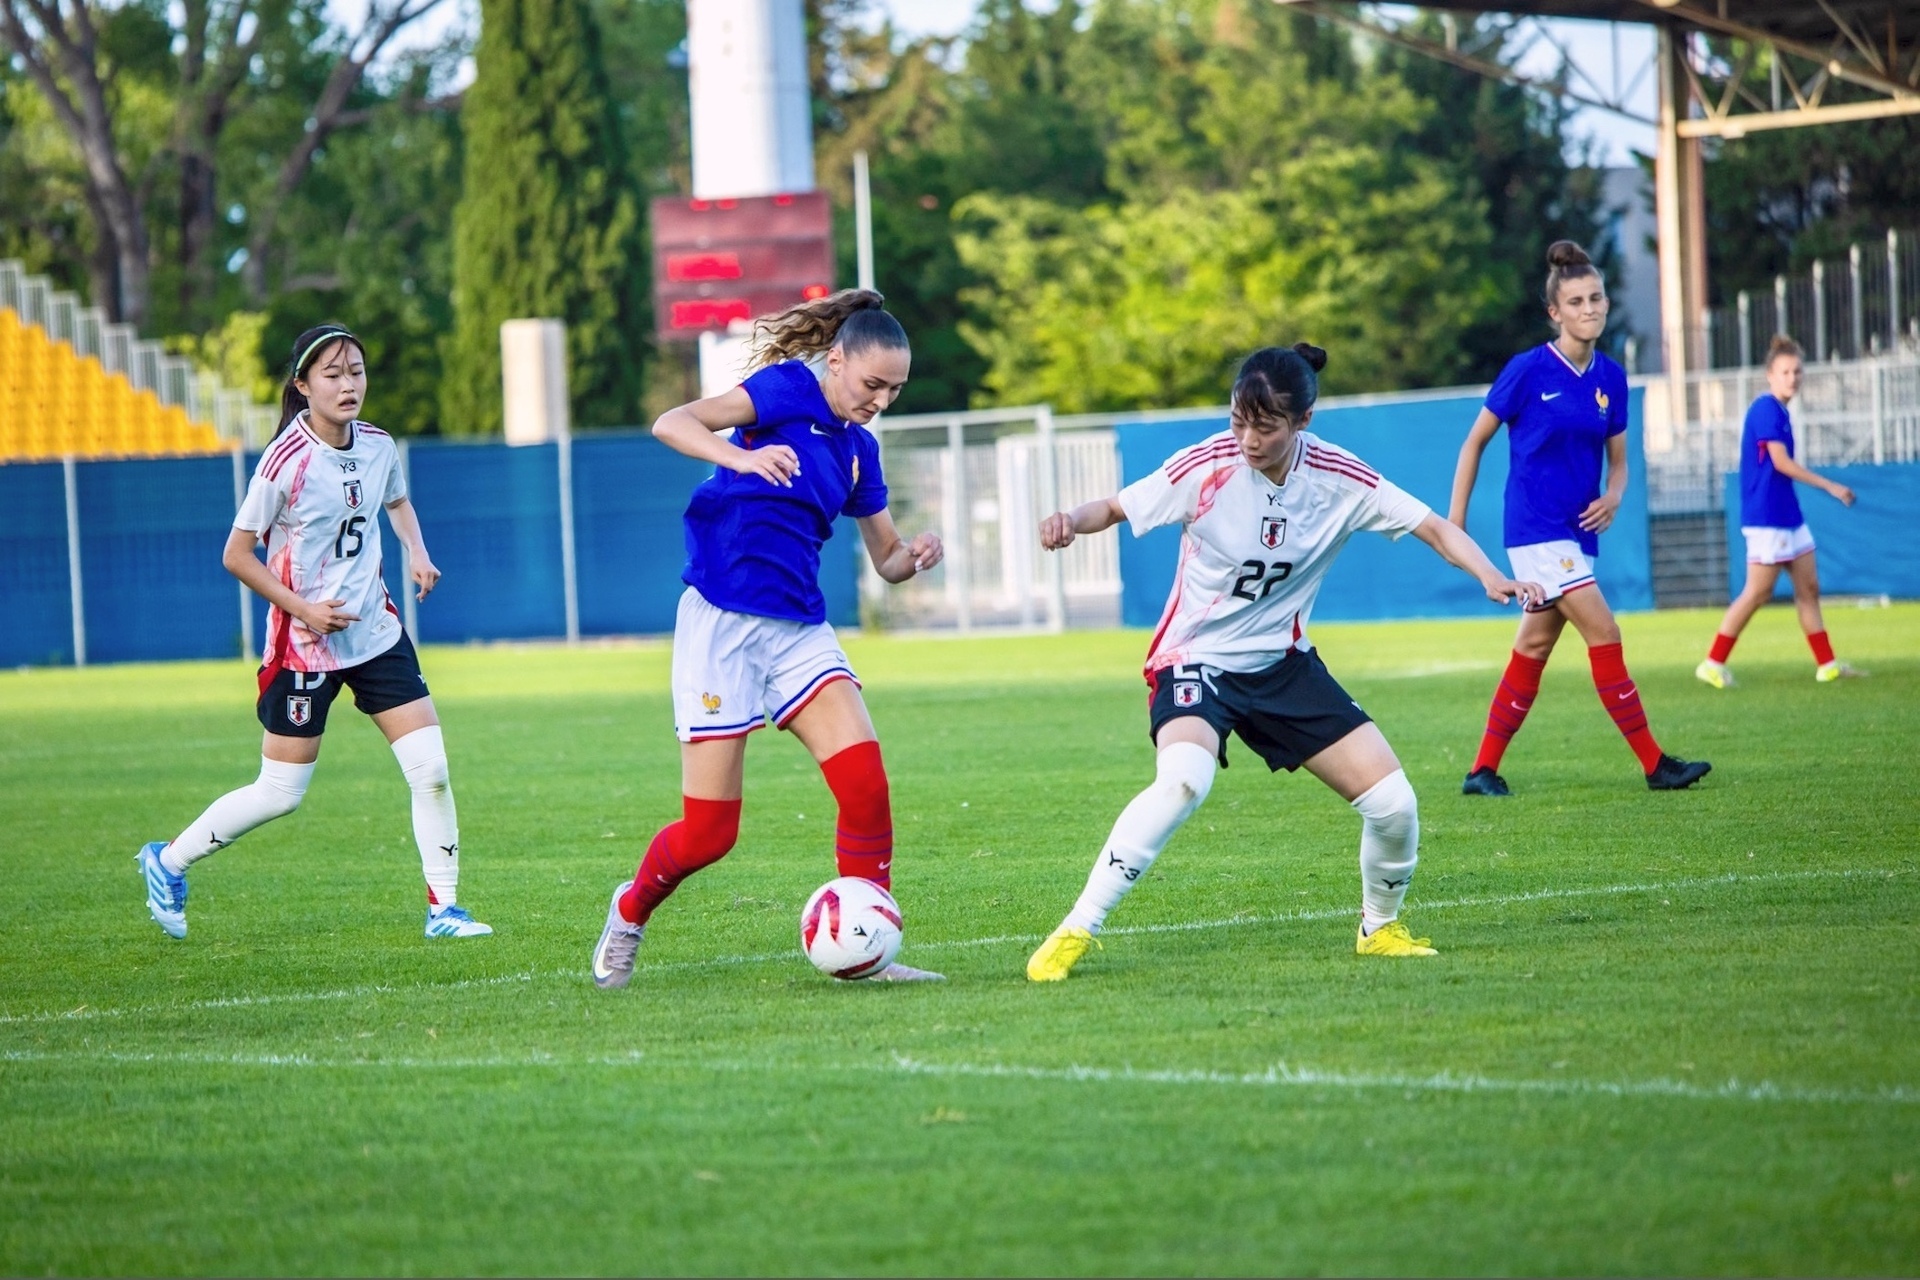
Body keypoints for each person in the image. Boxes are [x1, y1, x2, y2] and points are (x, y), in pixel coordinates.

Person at [1024, 343, 1545, 982]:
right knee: (1184, 778)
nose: (1247, 437)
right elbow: (1112, 507)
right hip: (1196, 660)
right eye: (1239, 419)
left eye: (1265, 425)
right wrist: (1068, 521)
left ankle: (1379, 930)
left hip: (1282, 665)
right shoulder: (1207, 465)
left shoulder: (1340, 477)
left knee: (1395, 805)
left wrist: (1494, 577)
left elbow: (1434, 527)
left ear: (1302, 421)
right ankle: (1076, 929)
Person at [591, 289, 947, 988]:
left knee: (867, 789)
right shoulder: (785, 389)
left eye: (894, 390)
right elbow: (674, 422)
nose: (880, 400)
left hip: (799, 630)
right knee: (710, 835)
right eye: (872, 383)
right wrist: (741, 459)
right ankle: (630, 910)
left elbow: (888, 560)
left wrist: (918, 554)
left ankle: (868, 952)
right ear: (836, 360)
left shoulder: (858, 451)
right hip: (720, 624)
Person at [137, 325, 490, 940]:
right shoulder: (286, 461)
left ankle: (445, 910)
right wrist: (303, 608)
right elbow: (237, 554)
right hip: (304, 645)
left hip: (375, 635)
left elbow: (396, 500)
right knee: (280, 792)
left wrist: (417, 552)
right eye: (332, 373)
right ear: (302, 386)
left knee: (430, 769)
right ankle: (167, 861)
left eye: (355, 370)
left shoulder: (379, 445)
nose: (348, 383)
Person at [1450, 240, 1711, 797]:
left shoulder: (1611, 379)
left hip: (1578, 534)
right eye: (1576, 301)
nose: (1590, 308)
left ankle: (1482, 770)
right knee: (1605, 631)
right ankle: (1654, 764)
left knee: (1534, 648)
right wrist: (1455, 521)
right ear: (1555, 312)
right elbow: (1473, 444)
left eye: (1596, 298)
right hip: (1536, 530)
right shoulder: (1526, 371)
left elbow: (1619, 465)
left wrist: (1614, 497)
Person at [1696, 335, 1862, 688]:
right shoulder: (1766, 409)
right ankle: (1712, 663)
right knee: (1757, 593)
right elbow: (1781, 463)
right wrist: (1830, 485)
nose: (1793, 378)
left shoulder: (1782, 412)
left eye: (1798, 371)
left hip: (1788, 514)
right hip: (1767, 516)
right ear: (1770, 375)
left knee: (1809, 587)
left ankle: (1827, 664)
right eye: (1785, 371)